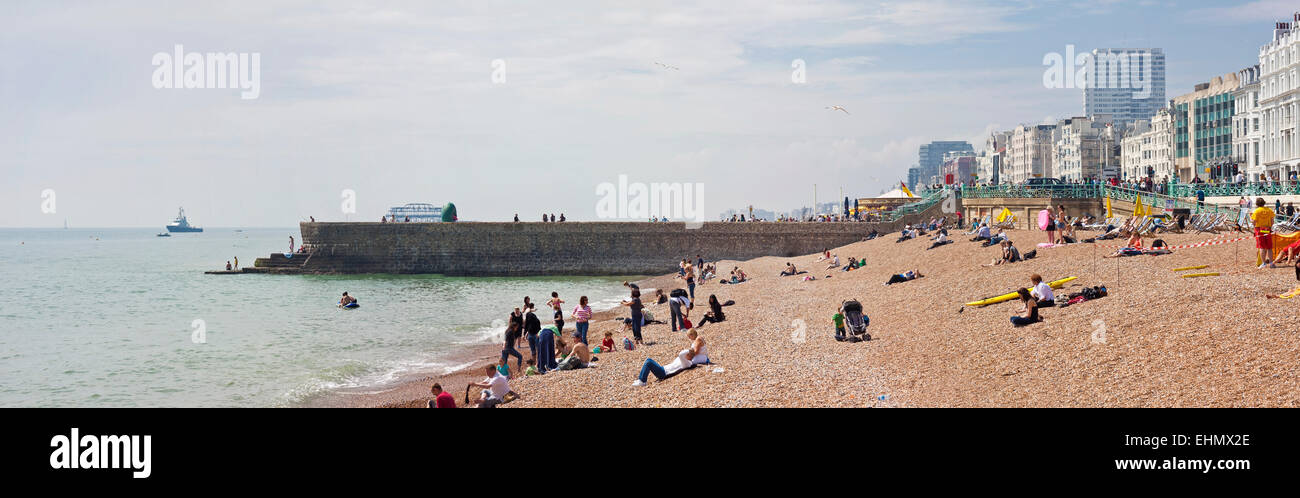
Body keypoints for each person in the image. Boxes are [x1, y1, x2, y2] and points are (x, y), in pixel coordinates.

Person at [631, 329, 708, 386]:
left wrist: (689, 351)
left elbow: (681, 354)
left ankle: (642, 381)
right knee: (648, 360)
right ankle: (641, 379)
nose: (686, 356)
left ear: (689, 357)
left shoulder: (687, 363)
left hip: (663, 373)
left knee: (648, 361)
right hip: (663, 369)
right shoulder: (685, 360)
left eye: (687, 355)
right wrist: (689, 352)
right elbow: (683, 354)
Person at [1252, 197, 1276, 269]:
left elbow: (1253, 222)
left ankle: (1264, 263)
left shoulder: (1256, 211)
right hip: (1267, 229)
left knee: (1262, 247)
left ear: (1257, 204)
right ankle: (1271, 263)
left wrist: (1251, 220)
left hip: (1259, 229)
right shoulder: (1269, 210)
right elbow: (1272, 222)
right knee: (1269, 247)